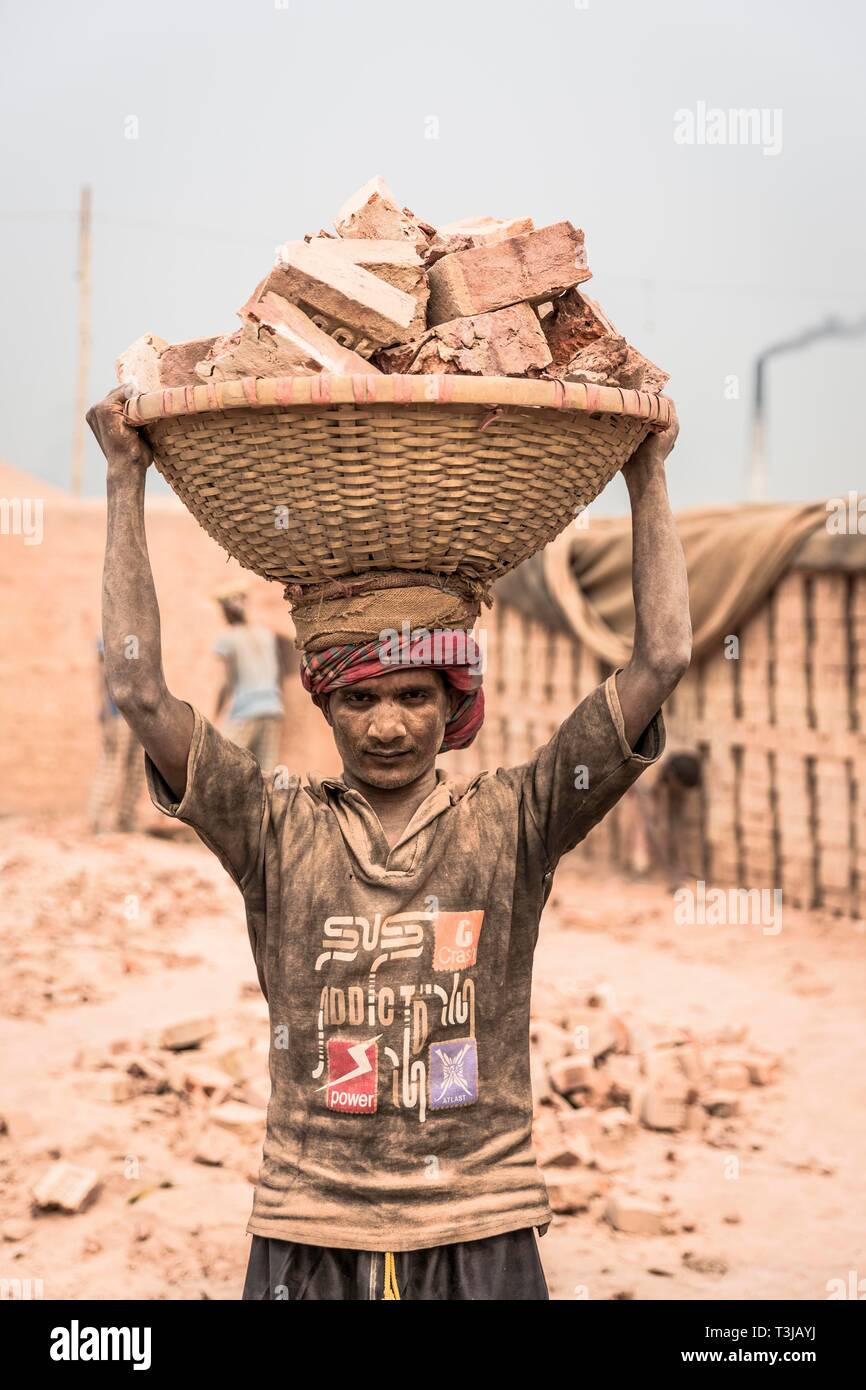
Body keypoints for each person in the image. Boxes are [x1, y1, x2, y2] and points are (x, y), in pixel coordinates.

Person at [87, 385, 691, 1301]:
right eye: (360, 699)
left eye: (414, 696)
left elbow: (662, 660)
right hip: (309, 1216)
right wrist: (125, 478)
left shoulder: (519, 819)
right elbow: (137, 690)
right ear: (324, 704)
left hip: (480, 1215)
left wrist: (646, 472)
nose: (387, 726)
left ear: (453, 706)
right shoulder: (273, 827)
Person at [212, 583, 290, 773]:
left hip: (246, 710)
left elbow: (229, 682)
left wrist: (216, 714)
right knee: (265, 773)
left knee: (227, 765)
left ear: (227, 611)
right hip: (272, 708)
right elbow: (277, 674)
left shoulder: (227, 639)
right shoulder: (266, 635)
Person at [87, 635, 143, 833]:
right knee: (110, 767)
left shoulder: (137, 633)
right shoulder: (110, 631)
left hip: (138, 716)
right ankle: (97, 821)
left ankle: (126, 820)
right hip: (118, 716)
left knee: (136, 769)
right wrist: (107, 718)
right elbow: (103, 677)